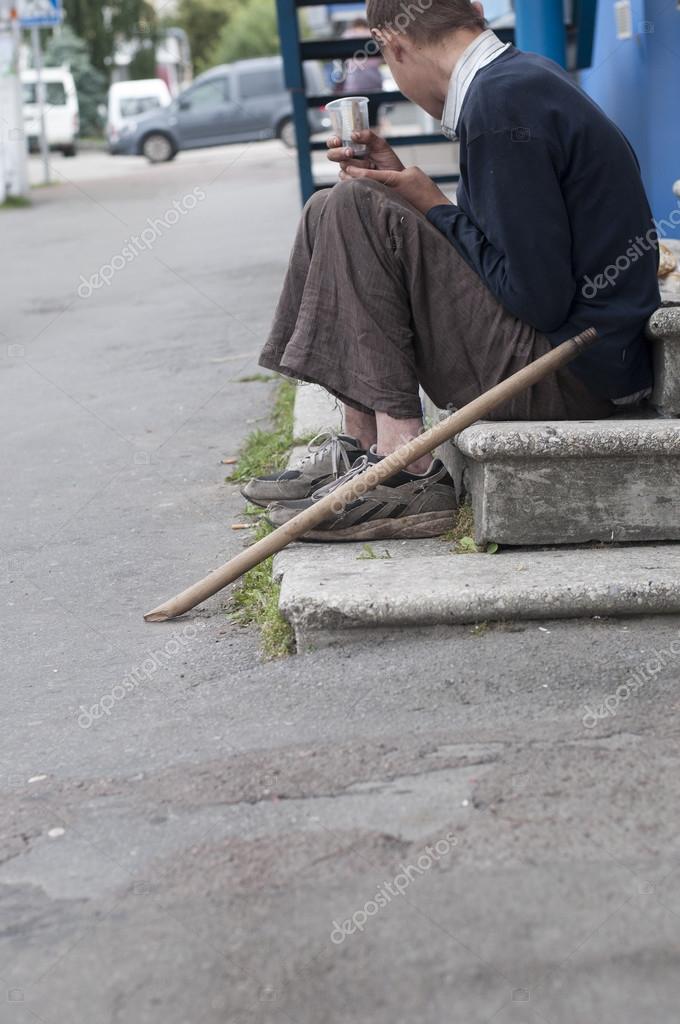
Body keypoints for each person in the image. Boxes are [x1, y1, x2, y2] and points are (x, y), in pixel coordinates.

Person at [243, 0, 660, 541]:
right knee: (330, 205)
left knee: (353, 204)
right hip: (570, 355)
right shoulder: (515, 81)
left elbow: (538, 298)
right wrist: (416, 198)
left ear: (393, 45)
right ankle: (362, 445)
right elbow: (516, 259)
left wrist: (432, 205)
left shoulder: (500, 106)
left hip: (569, 372)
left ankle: (406, 467)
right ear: (475, 11)